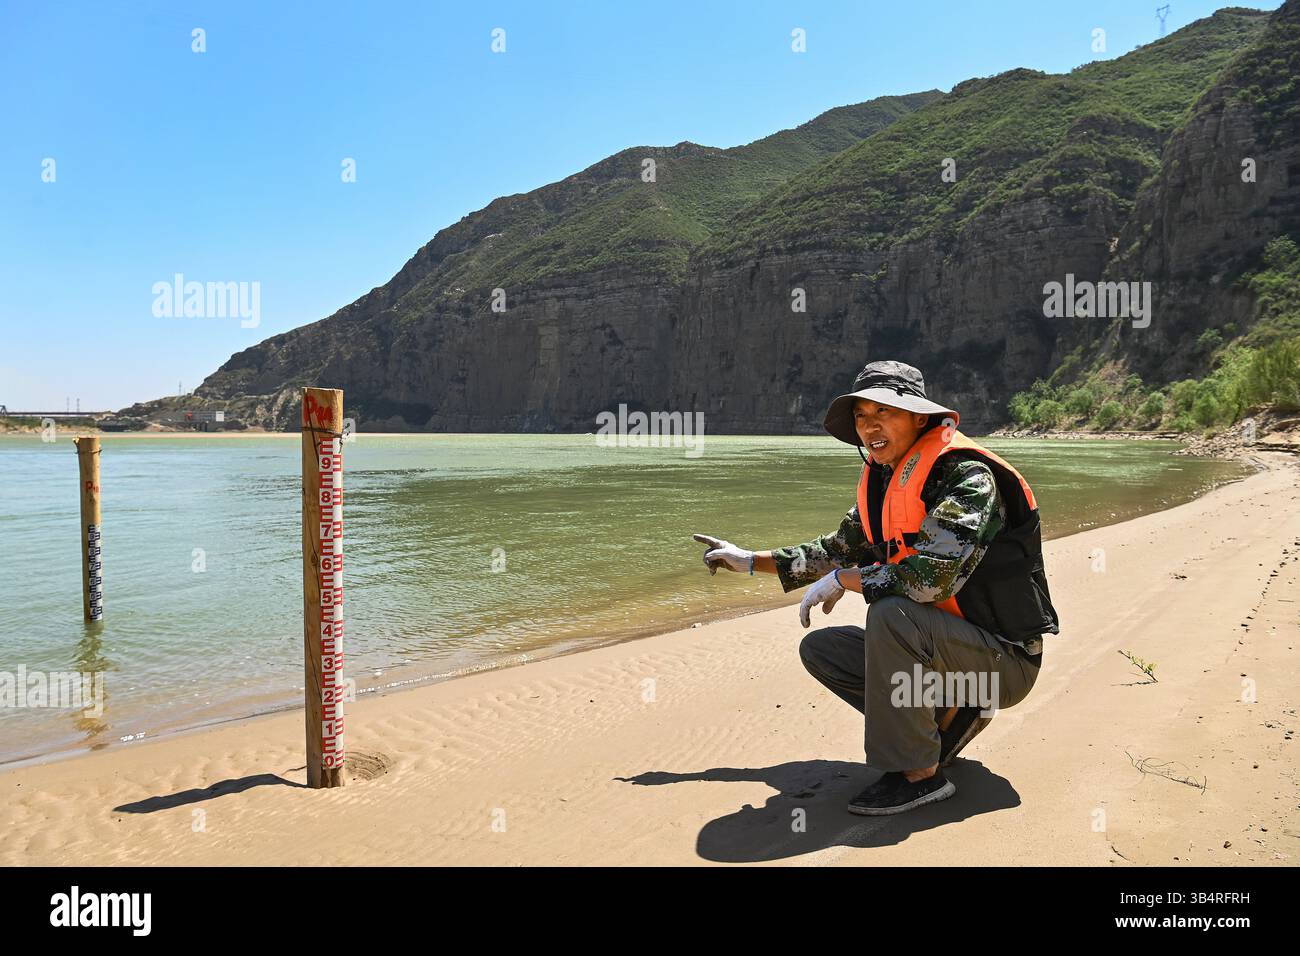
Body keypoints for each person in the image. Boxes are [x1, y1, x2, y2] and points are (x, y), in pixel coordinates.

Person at [693, 360, 1060, 815]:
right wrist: (750, 561)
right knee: (824, 649)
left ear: (919, 418)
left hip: (1005, 662)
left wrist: (845, 581)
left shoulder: (968, 478)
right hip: (951, 654)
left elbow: (928, 580)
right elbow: (834, 550)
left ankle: (919, 776)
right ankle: (946, 722)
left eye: (884, 412)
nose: (869, 426)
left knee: (890, 613)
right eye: (862, 416)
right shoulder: (885, 483)